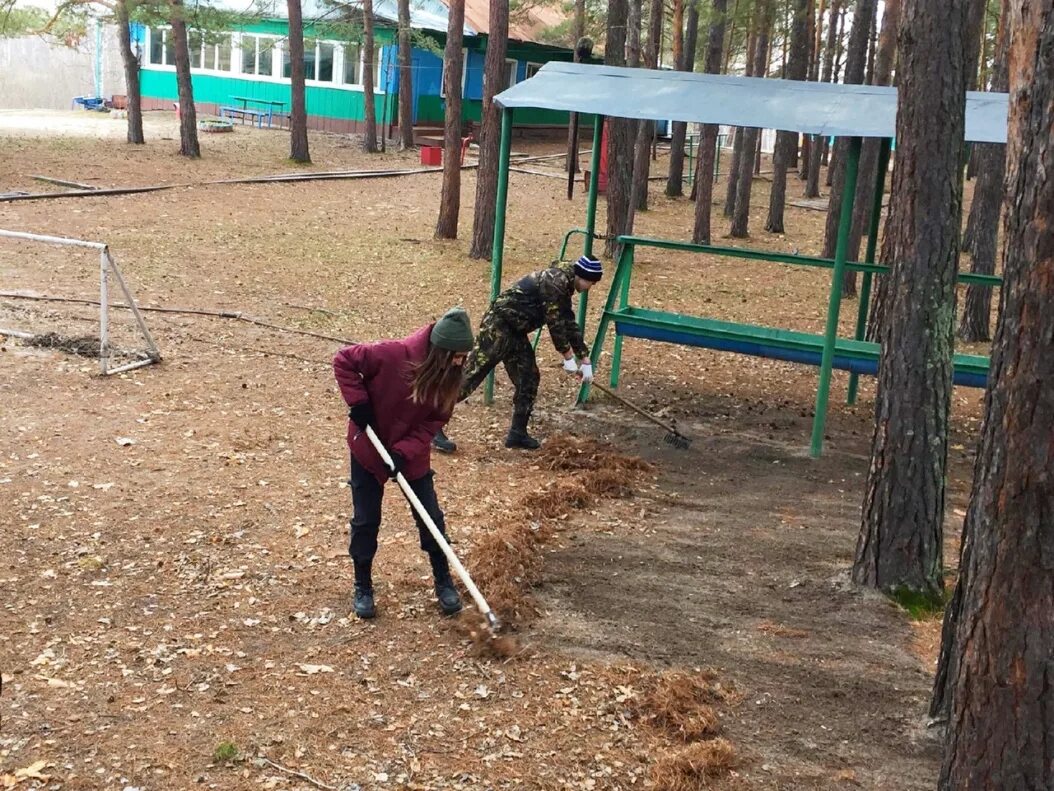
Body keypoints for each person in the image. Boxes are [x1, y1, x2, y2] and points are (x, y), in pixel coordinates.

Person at [333, 307, 475, 620]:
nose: (461, 363)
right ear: (440, 351)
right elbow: (344, 360)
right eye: (456, 356)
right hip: (369, 446)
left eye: (464, 356)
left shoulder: (450, 378)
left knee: (431, 518)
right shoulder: (390, 354)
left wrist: (403, 451)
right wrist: (358, 403)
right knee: (366, 520)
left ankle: (444, 582)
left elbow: (434, 422)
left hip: (410, 452)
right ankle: (363, 586)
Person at [433, 255, 603, 452]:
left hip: (516, 331)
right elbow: (555, 322)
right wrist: (566, 356)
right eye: (591, 282)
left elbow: (568, 322)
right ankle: (431, 425)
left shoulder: (564, 285)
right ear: (583, 276)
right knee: (470, 377)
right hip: (498, 326)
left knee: (529, 379)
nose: (590, 287)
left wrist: (584, 358)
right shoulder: (555, 281)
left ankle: (517, 433)